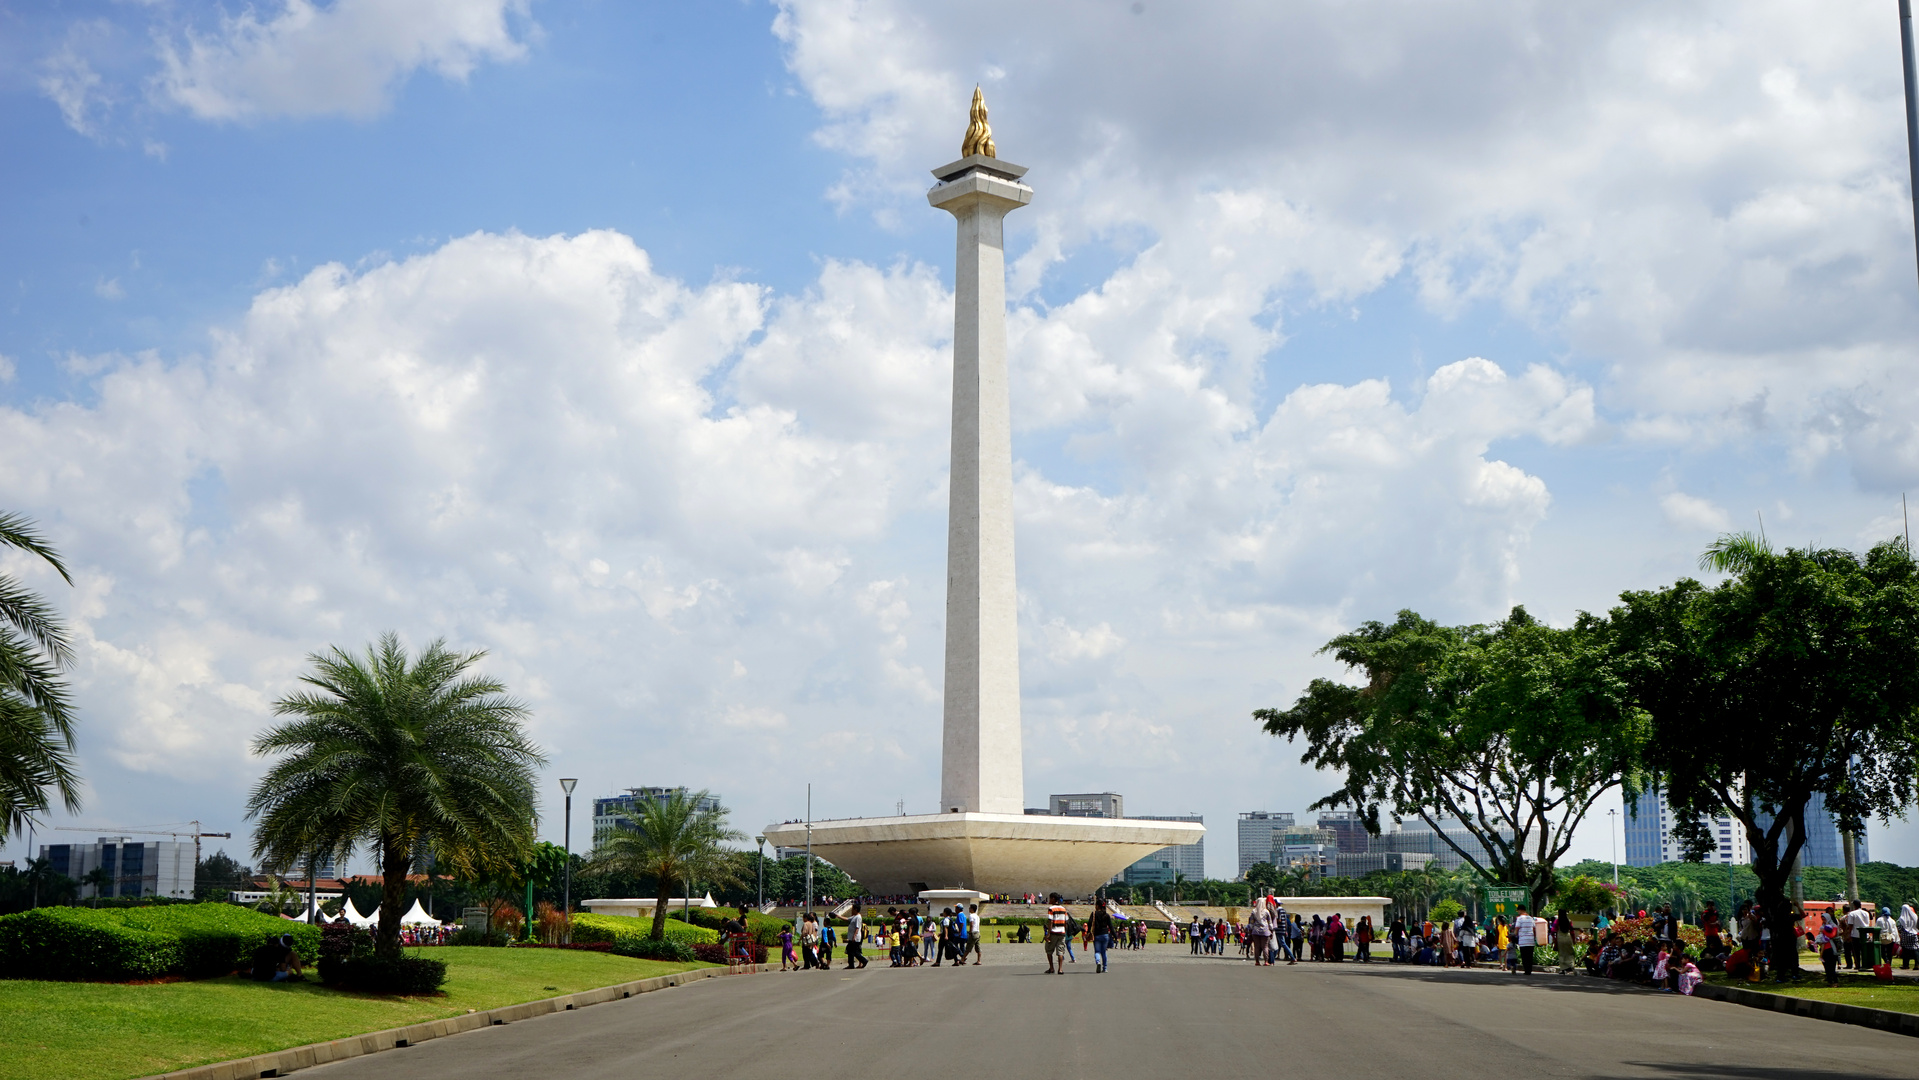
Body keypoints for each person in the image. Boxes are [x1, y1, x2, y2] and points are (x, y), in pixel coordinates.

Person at [1045, 893, 1071, 975]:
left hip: (1053, 932)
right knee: (1060, 951)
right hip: (1062, 933)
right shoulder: (1064, 909)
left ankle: (1051, 968)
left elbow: (1051, 921)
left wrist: (1048, 933)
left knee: (1049, 950)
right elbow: (1066, 921)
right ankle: (1060, 969)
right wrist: (1064, 930)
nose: (1049, 900)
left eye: (1050, 899)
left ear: (1053, 899)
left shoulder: (1051, 909)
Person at [1512, 905, 1538, 975]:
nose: (1518, 912)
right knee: (1530, 956)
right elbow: (1534, 929)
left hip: (1523, 940)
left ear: (1520, 910)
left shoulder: (1519, 918)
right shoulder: (1530, 918)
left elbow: (1516, 929)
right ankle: (1529, 970)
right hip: (1531, 940)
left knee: (1524, 956)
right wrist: (1534, 937)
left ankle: (1526, 970)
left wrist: (1514, 935)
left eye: (1518, 911)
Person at [1092, 897, 1115, 973]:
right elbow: (1111, 927)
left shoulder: (1094, 914)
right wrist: (1115, 936)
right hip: (1105, 935)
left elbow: (1089, 924)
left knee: (1097, 951)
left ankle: (1098, 962)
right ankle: (1105, 968)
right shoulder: (1107, 915)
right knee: (1104, 952)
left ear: (1098, 906)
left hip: (1097, 935)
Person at [845, 904, 867, 969]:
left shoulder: (858, 917)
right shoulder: (854, 916)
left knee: (854, 952)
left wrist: (854, 936)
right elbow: (847, 919)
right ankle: (851, 964)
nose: (851, 910)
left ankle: (864, 961)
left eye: (852, 909)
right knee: (850, 951)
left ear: (856, 909)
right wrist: (837, 916)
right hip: (852, 937)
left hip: (855, 938)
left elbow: (857, 928)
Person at [1554, 910, 1576, 974]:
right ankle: (1570, 966)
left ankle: (1563, 969)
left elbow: (1553, 930)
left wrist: (1554, 939)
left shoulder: (1557, 921)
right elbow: (1572, 931)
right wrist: (1574, 940)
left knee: (1562, 953)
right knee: (1570, 952)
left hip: (1560, 938)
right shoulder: (1569, 921)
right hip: (1568, 937)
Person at [1900, 903, 1919, 970]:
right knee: (1915, 948)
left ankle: (1906, 965)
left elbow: (1900, 927)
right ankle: (1917, 964)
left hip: (1905, 934)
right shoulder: (1914, 916)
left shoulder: (1902, 918)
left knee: (1905, 950)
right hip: (1914, 933)